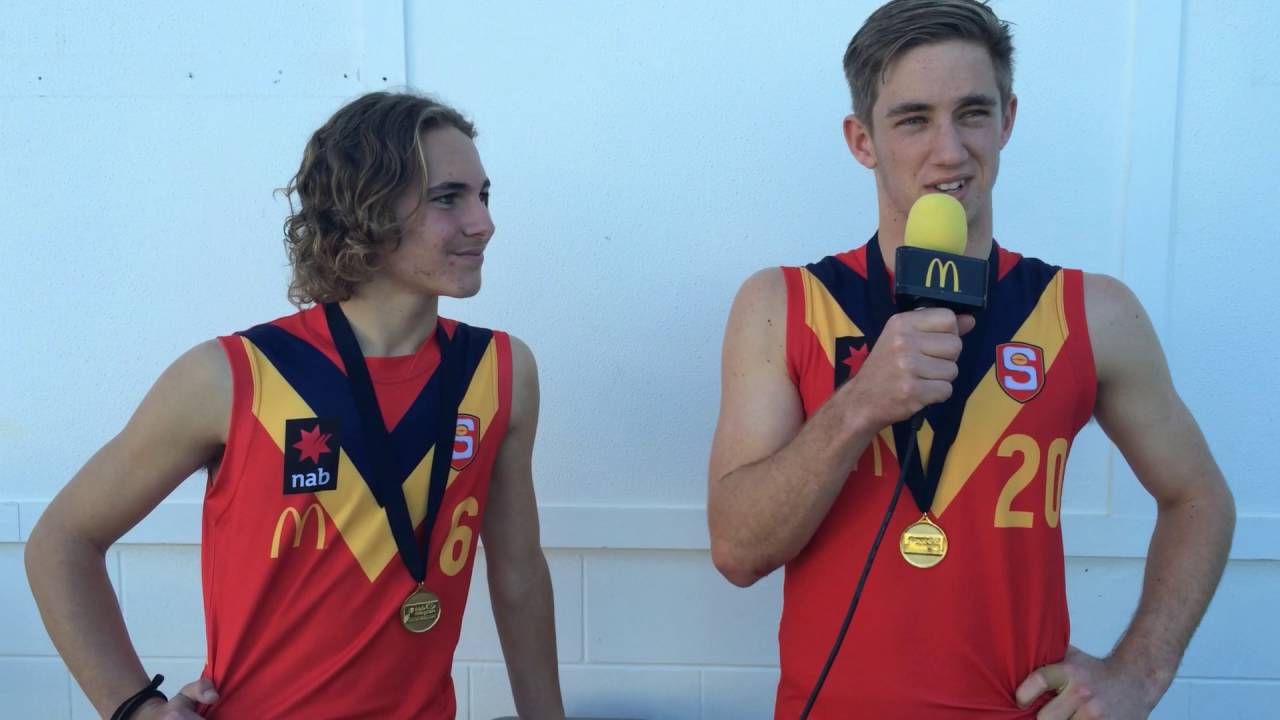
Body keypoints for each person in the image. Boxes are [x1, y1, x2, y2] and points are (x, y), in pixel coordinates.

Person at [706, 1, 1235, 717]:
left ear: (1007, 120)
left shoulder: (1093, 311)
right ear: (862, 139)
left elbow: (1199, 499)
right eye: (914, 118)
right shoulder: (781, 304)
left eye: (974, 113)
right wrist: (858, 404)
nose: (950, 150)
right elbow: (739, 551)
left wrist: (1138, 672)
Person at [26, 91, 565, 719]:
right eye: (449, 198)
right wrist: (133, 708)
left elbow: (519, 576)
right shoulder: (231, 376)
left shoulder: (501, 372)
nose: (483, 222)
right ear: (367, 207)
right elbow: (60, 542)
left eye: (484, 195)